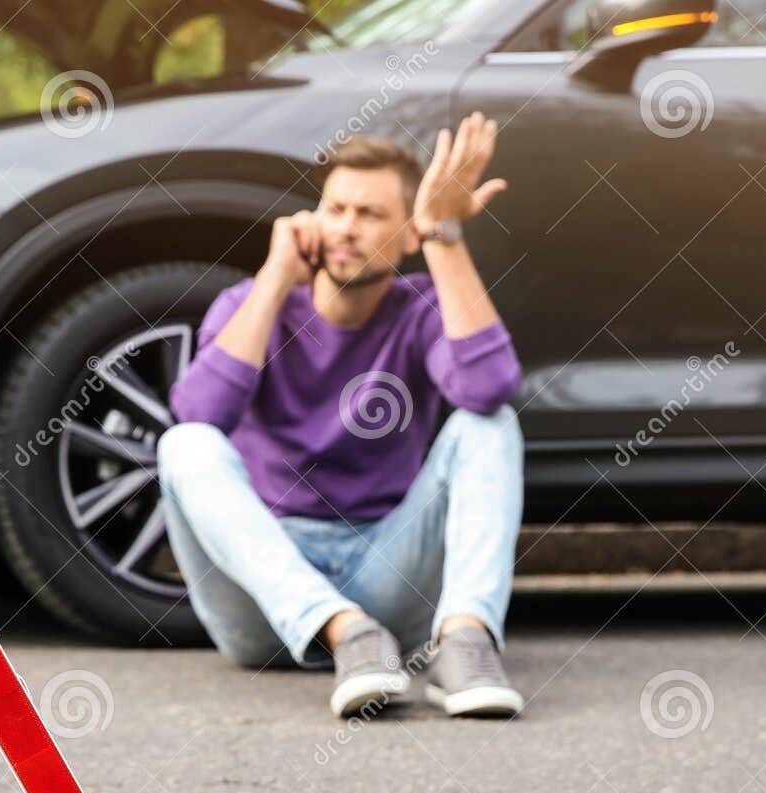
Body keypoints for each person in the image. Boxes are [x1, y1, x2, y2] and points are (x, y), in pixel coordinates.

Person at [157, 114, 526, 720]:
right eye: (336, 209)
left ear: (408, 235)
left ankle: (465, 643)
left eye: (371, 214)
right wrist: (275, 279)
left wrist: (445, 234)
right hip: (264, 596)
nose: (347, 228)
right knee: (185, 445)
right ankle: (341, 630)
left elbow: (488, 389)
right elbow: (200, 414)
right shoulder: (249, 305)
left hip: (385, 572)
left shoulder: (422, 310)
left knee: (490, 425)